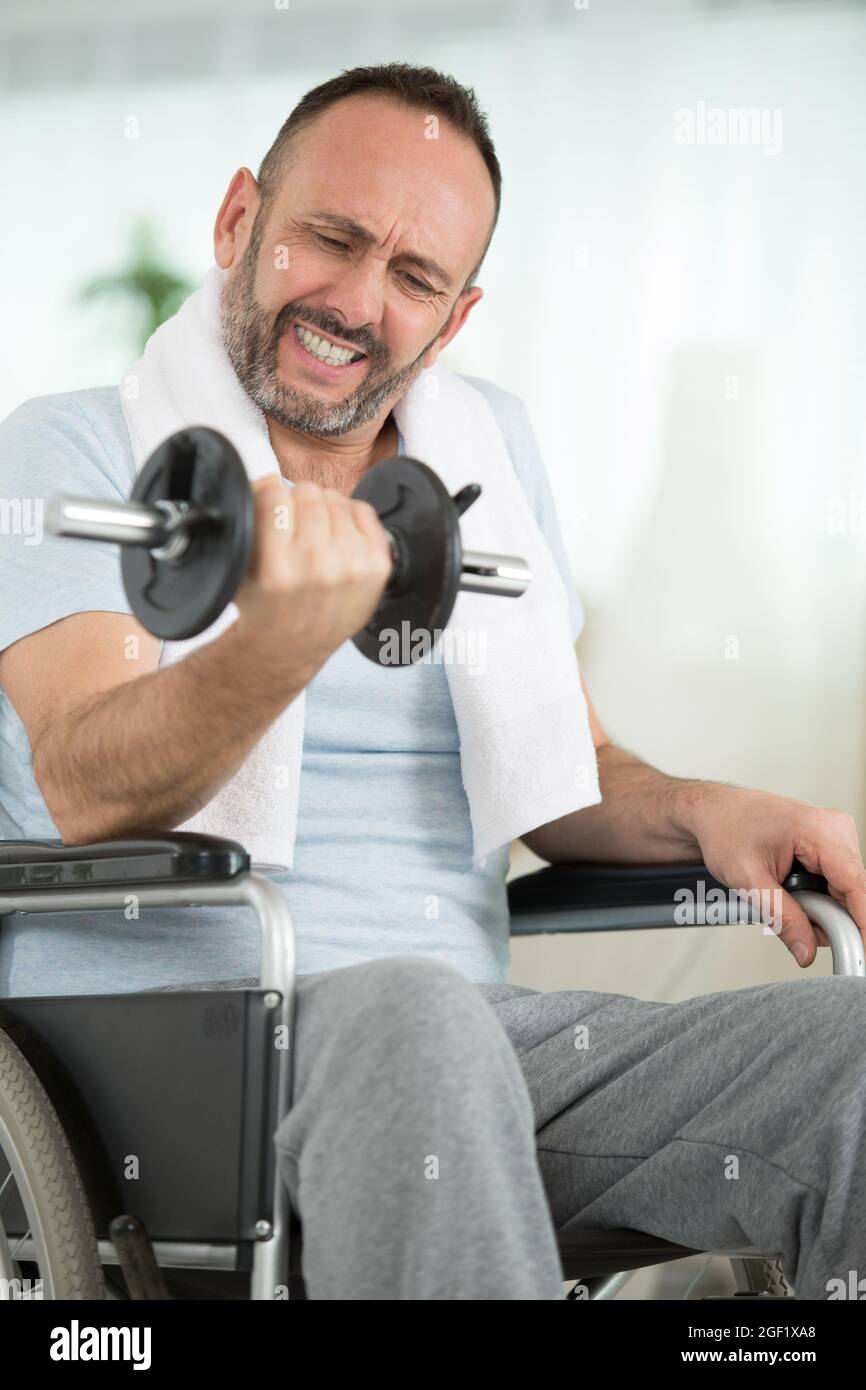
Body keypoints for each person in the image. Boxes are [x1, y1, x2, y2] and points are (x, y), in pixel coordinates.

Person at [0, 62, 864, 1301]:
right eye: (329, 240)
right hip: (177, 1054)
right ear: (240, 220)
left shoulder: (484, 456)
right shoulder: (74, 447)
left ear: (454, 317)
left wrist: (697, 810)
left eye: (412, 278)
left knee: (849, 1051)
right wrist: (278, 640)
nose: (357, 302)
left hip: (473, 1049)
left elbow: (567, 770)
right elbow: (85, 779)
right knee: (415, 1018)